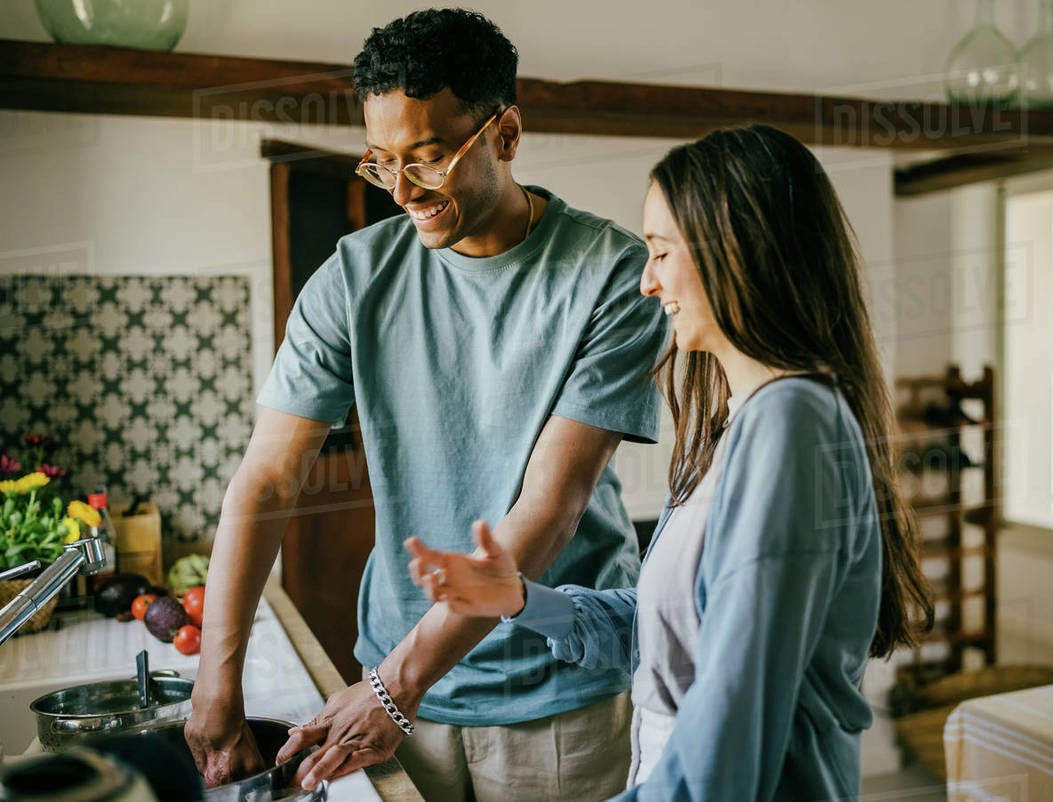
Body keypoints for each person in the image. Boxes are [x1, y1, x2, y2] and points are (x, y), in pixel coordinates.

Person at [184, 9, 668, 801]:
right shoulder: (352, 278)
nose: (402, 191)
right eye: (381, 163)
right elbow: (269, 478)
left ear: (505, 135)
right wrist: (216, 675)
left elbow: (549, 510)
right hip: (395, 685)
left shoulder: (613, 275)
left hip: (558, 700)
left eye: (430, 157)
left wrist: (394, 689)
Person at [406, 124, 936, 800]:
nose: (646, 283)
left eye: (659, 253)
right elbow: (677, 630)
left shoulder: (791, 425)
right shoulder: (746, 420)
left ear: (734, 253)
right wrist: (519, 599)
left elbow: (730, 714)